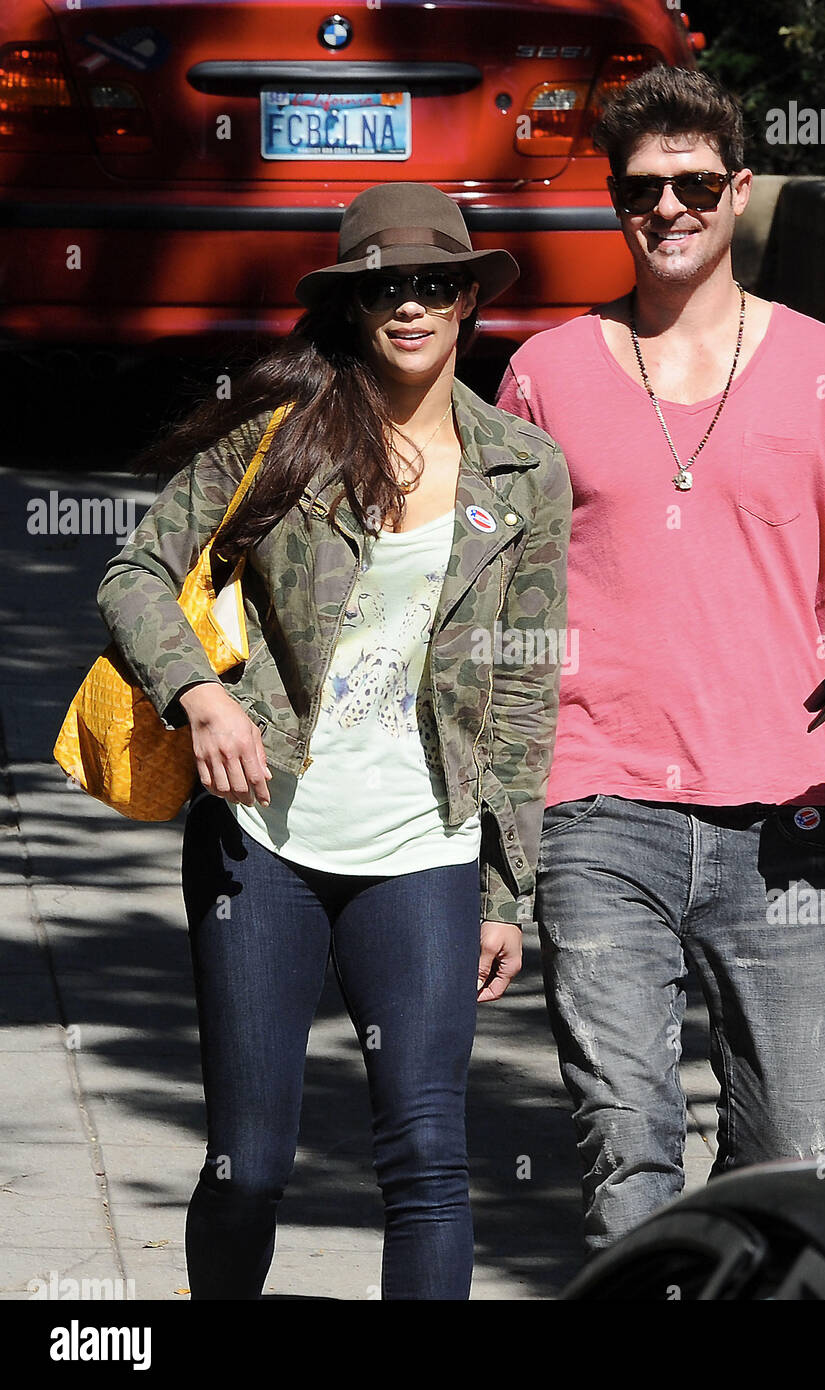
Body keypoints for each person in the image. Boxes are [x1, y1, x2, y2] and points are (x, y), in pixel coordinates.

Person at [495, 65, 825, 1256]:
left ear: (737, 191)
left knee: (785, 1153)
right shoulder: (547, 373)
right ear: (615, 203)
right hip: (595, 804)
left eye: (695, 184)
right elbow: (487, 593)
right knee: (624, 1141)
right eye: (643, 190)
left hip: (781, 811)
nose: (670, 210)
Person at [96, 183, 571, 1299]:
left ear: (468, 301)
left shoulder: (523, 469)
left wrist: (509, 892)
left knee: (427, 1161)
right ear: (354, 306)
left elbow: (523, 685)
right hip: (264, 839)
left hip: (425, 847)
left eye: (435, 285)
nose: (411, 306)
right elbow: (134, 575)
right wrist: (197, 697)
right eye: (386, 286)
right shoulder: (278, 443)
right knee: (250, 1164)